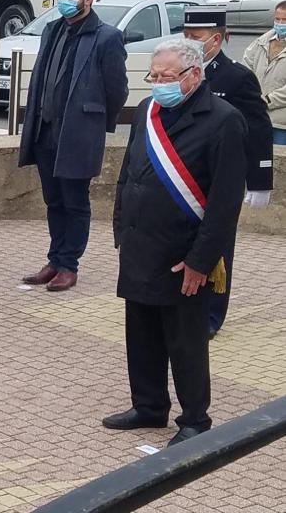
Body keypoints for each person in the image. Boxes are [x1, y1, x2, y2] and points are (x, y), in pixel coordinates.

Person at [105, 39, 247, 448]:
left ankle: (195, 418)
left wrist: (201, 260)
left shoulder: (223, 120)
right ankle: (149, 405)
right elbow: (129, 169)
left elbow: (224, 203)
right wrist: (120, 224)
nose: (159, 85)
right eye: (154, 76)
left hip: (184, 253)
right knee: (142, 332)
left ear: (194, 75)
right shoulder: (149, 112)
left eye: (168, 78)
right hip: (139, 243)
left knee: (184, 339)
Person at [18, 0, 129, 292]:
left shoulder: (106, 37)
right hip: (45, 130)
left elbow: (116, 89)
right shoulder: (52, 30)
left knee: (74, 201)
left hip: (78, 132)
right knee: (53, 201)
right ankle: (54, 259)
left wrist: (96, 122)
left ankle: (69, 264)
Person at [183, 5, 274, 337]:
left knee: (217, 245)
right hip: (186, 174)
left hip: (222, 176)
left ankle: (211, 315)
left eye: (196, 37)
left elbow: (259, 129)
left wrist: (260, 181)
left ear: (216, 38)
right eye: (186, 36)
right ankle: (185, 305)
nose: (190, 42)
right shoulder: (181, 70)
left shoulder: (236, 77)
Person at [244, 1, 286, 145]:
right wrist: (250, 94)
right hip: (258, 114)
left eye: (285, 20)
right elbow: (246, 67)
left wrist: (268, 100)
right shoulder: (262, 42)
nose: (280, 23)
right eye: (277, 19)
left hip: (281, 122)